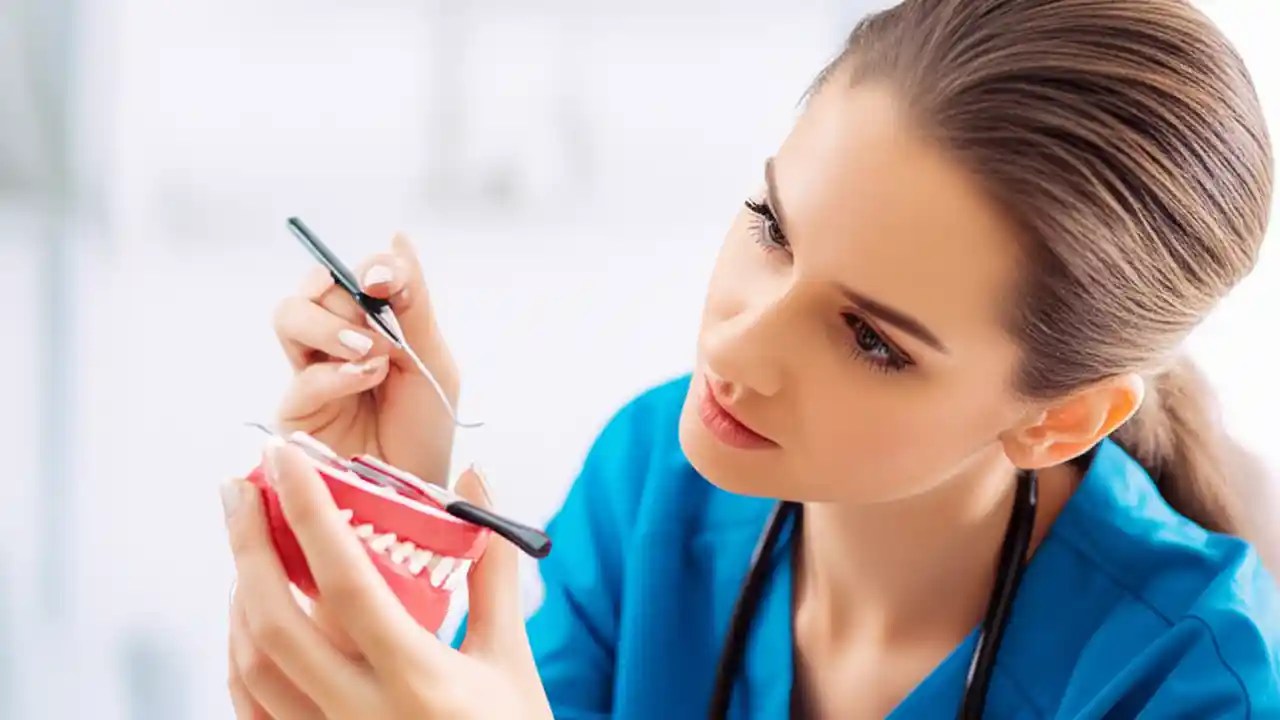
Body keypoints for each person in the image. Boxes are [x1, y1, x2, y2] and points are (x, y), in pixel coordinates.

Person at [218, 0, 1280, 717]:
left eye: (870, 340)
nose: (734, 344)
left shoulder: (1186, 681)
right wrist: (392, 548)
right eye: (771, 226)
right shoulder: (654, 482)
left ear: (1054, 419)